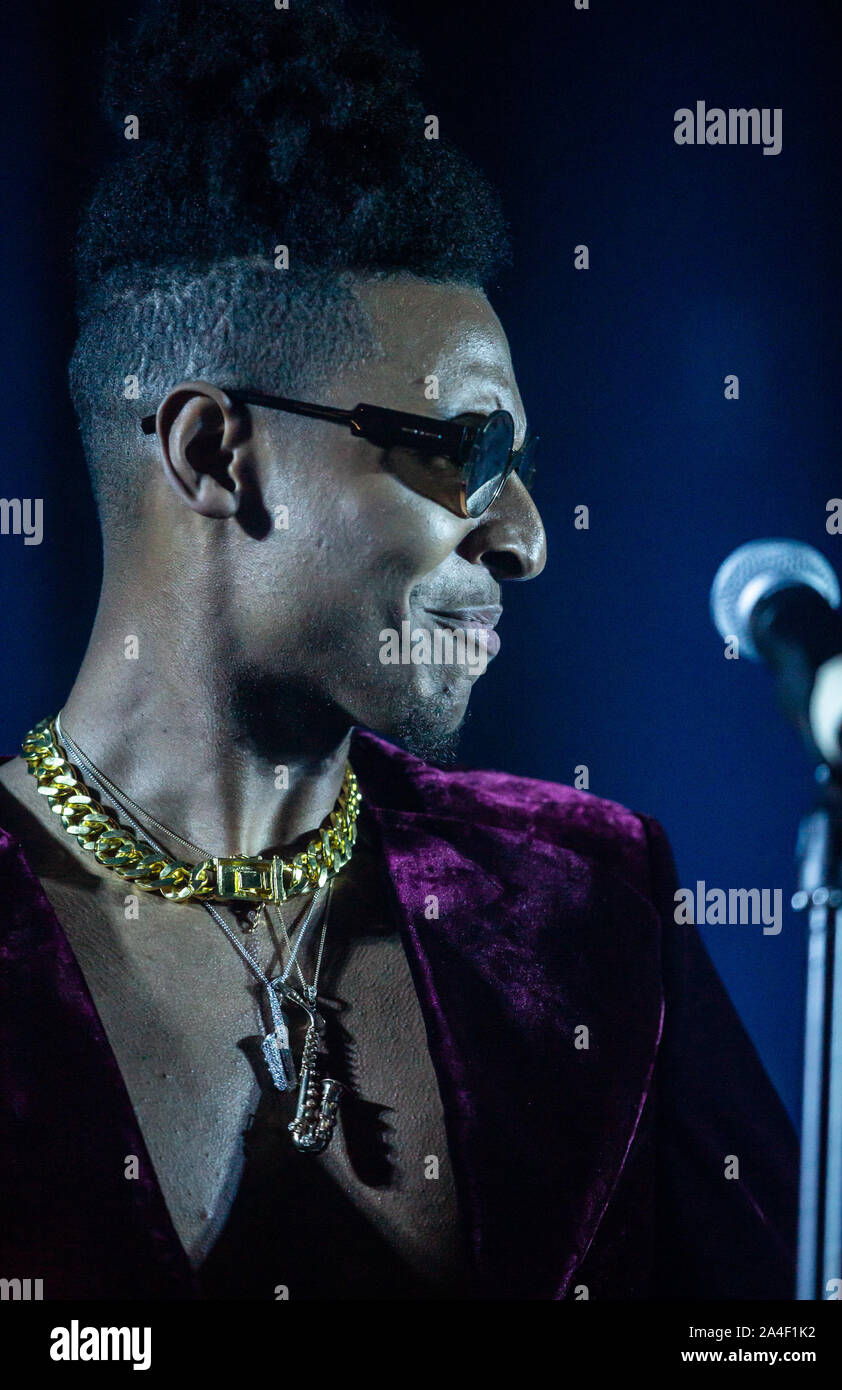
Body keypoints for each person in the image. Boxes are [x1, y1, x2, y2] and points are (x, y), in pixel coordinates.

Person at [0, 0, 798, 1300]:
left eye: (524, 468)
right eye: (468, 451)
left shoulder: (587, 902)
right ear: (212, 452)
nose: (526, 538)